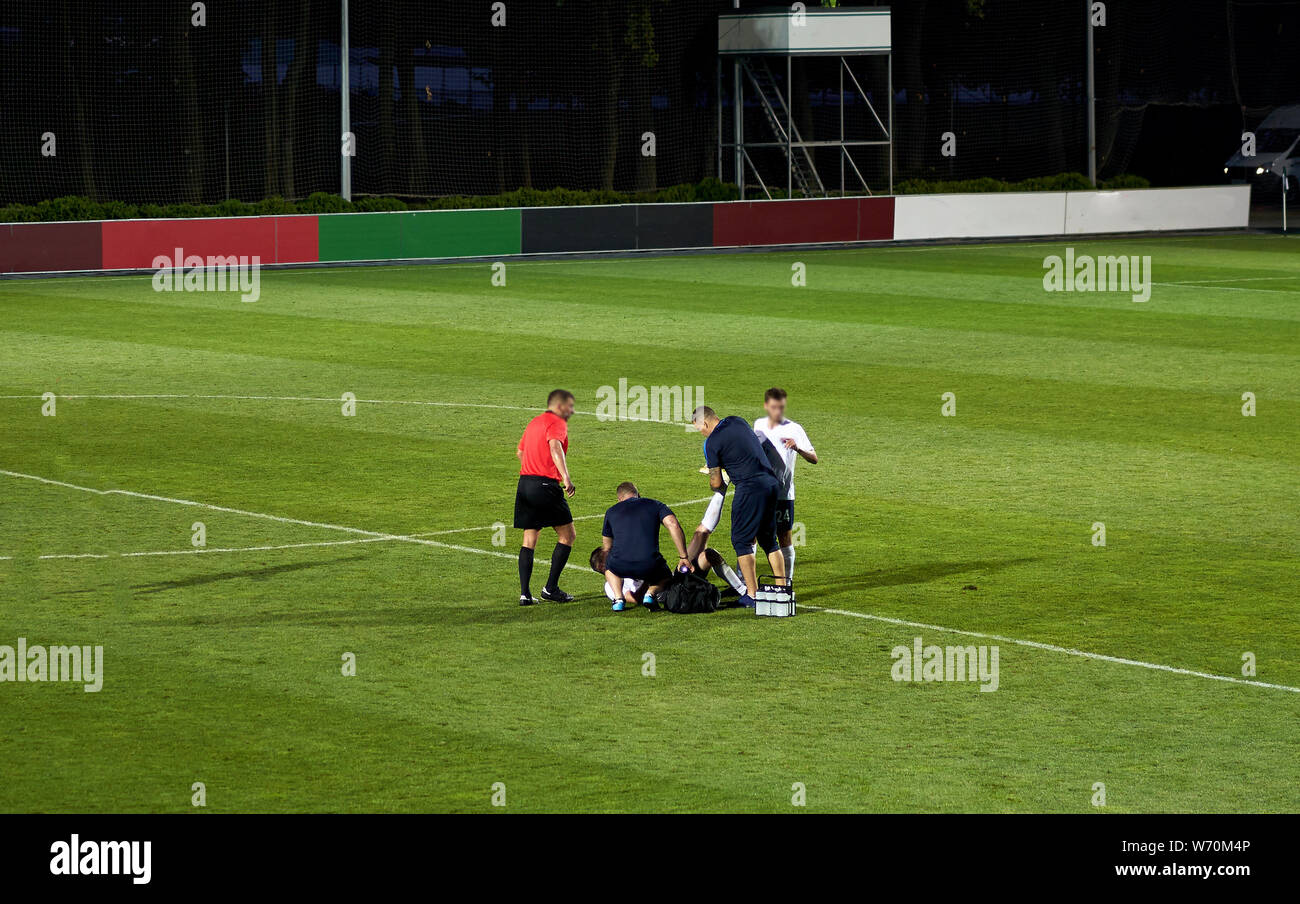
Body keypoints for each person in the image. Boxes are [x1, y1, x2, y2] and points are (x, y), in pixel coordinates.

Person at [691, 406, 786, 607]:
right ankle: (782, 589)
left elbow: (716, 483)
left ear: (705, 423)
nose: (701, 432)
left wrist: (717, 477)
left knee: (741, 540)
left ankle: (752, 594)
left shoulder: (711, 443)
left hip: (750, 488)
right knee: (769, 540)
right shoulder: (737, 420)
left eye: (700, 428)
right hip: (771, 483)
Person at [513, 389, 577, 606]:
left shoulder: (534, 422)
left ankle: (524, 594)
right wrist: (566, 477)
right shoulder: (556, 422)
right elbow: (555, 447)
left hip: (525, 484)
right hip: (545, 484)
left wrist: (532, 469)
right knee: (567, 535)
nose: (572, 410)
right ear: (558, 406)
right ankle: (550, 588)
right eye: (569, 406)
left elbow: (520, 453)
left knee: (529, 539)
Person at [753, 387, 818, 581]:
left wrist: (797, 447)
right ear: (766, 406)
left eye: (781, 407)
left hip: (783, 494)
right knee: (752, 535)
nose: (778, 411)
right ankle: (744, 583)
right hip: (760, 492)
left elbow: (814, 458)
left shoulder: (794, 429)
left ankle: (786, 582)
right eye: (774, 407)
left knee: (784, 538)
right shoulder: (758, 425)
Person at [599, 482, 691, 612]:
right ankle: (650, 593)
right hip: (649, 564)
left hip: (619, 564)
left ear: (619, 499)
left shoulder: (611, 511)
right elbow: (673, 524)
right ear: (638, 494)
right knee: (666, 576)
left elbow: (607, 547)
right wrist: (684, 556)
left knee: (609, 569)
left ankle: (618, 599)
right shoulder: (655, 504)